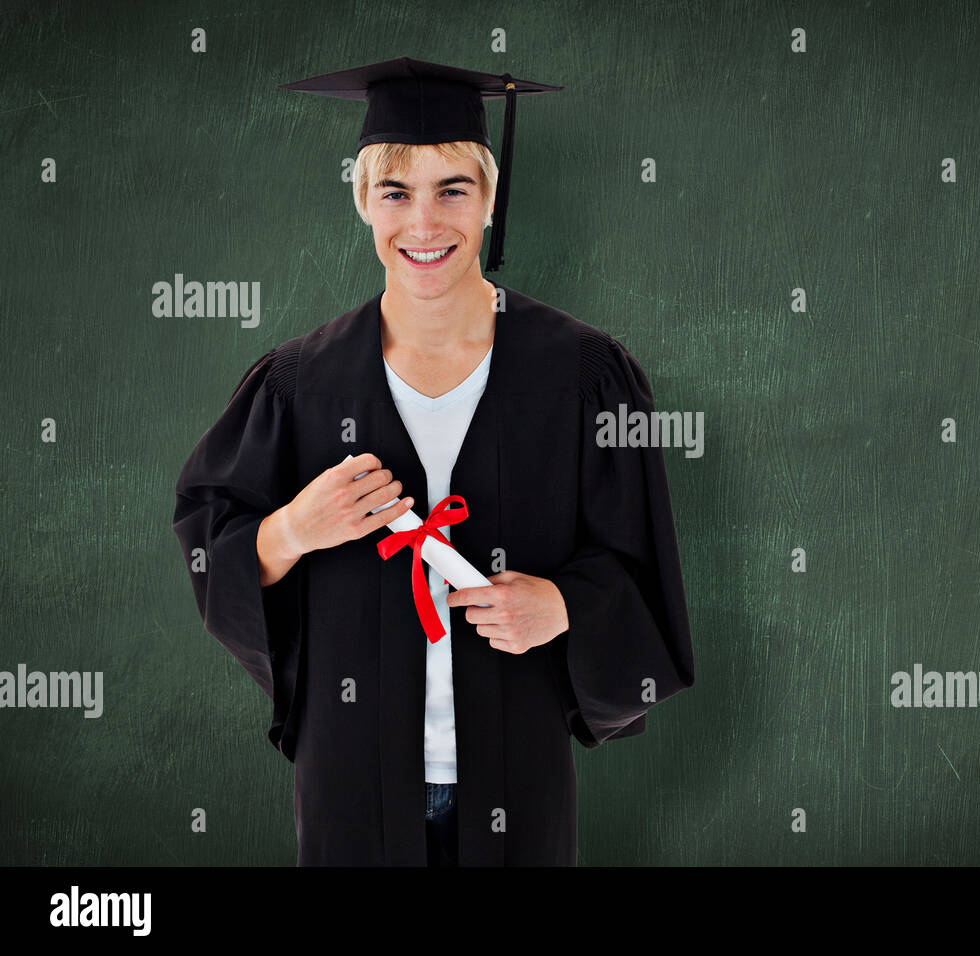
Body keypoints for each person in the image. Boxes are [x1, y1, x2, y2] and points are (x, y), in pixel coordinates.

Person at [172, 58, 695, 866]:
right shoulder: (299, 385)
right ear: (362, 202)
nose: (424, 222)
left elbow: (645, 572)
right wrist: (291, 530)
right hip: (350, 779)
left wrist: (563, 607)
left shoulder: (583, 375)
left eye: (453, 188)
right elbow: (214, 537)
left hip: (519, 778)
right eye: (395, 193)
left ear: (489, 199)